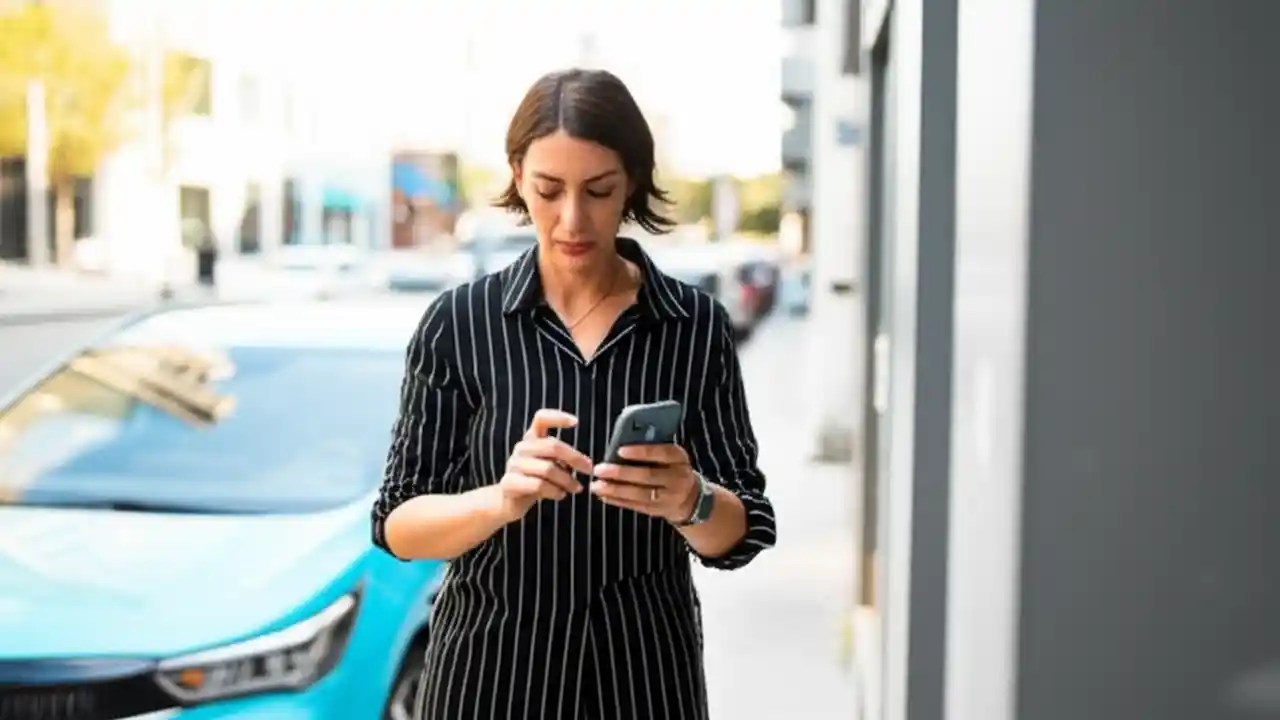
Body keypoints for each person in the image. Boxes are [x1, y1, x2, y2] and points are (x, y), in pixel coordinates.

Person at [372, 68, 777, 720]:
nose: (572, 218)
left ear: (634, 183)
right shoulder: (459, 323)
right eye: (548, 190)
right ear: (516, 174)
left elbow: (745, 531)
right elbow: (397, 525)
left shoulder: (695, 326)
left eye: (599, 190)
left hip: (644, 681)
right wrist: (500, 500)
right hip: (490, 679)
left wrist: (689, 498)